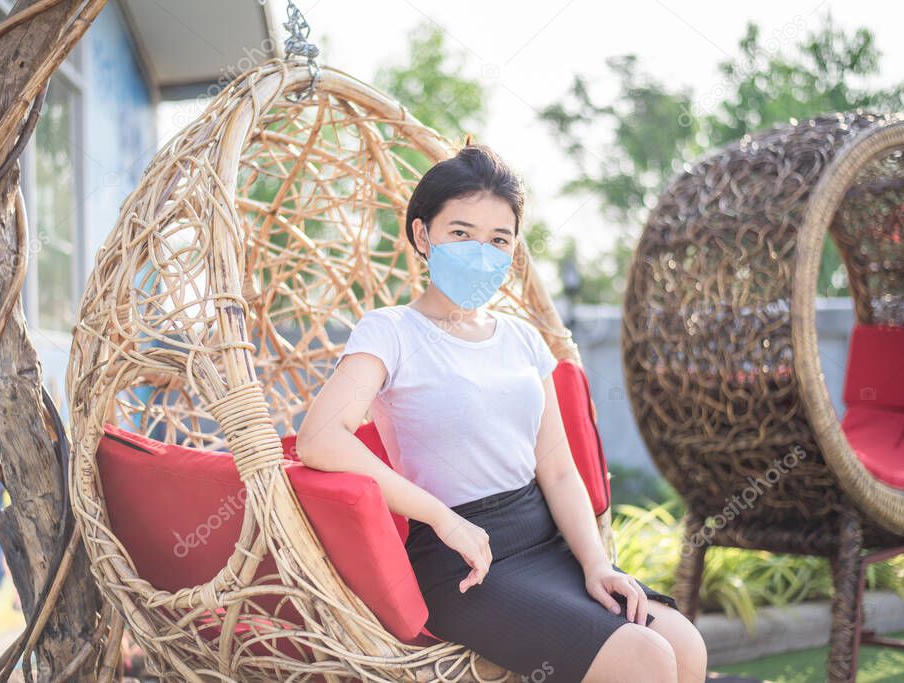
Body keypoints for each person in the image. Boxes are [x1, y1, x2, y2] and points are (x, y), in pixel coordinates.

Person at [296, 143, 707, 683]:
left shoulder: (523, 338)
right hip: (462, 562)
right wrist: (442, 517)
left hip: (544, 541)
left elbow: (558, 470)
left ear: (513, 251)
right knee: (644, 659)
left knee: (683, 642)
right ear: (423, 235)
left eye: (498, 240)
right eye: (461, 234)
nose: (479, 252)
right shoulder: (390, 331)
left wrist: (595, 564)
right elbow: (320, 438)